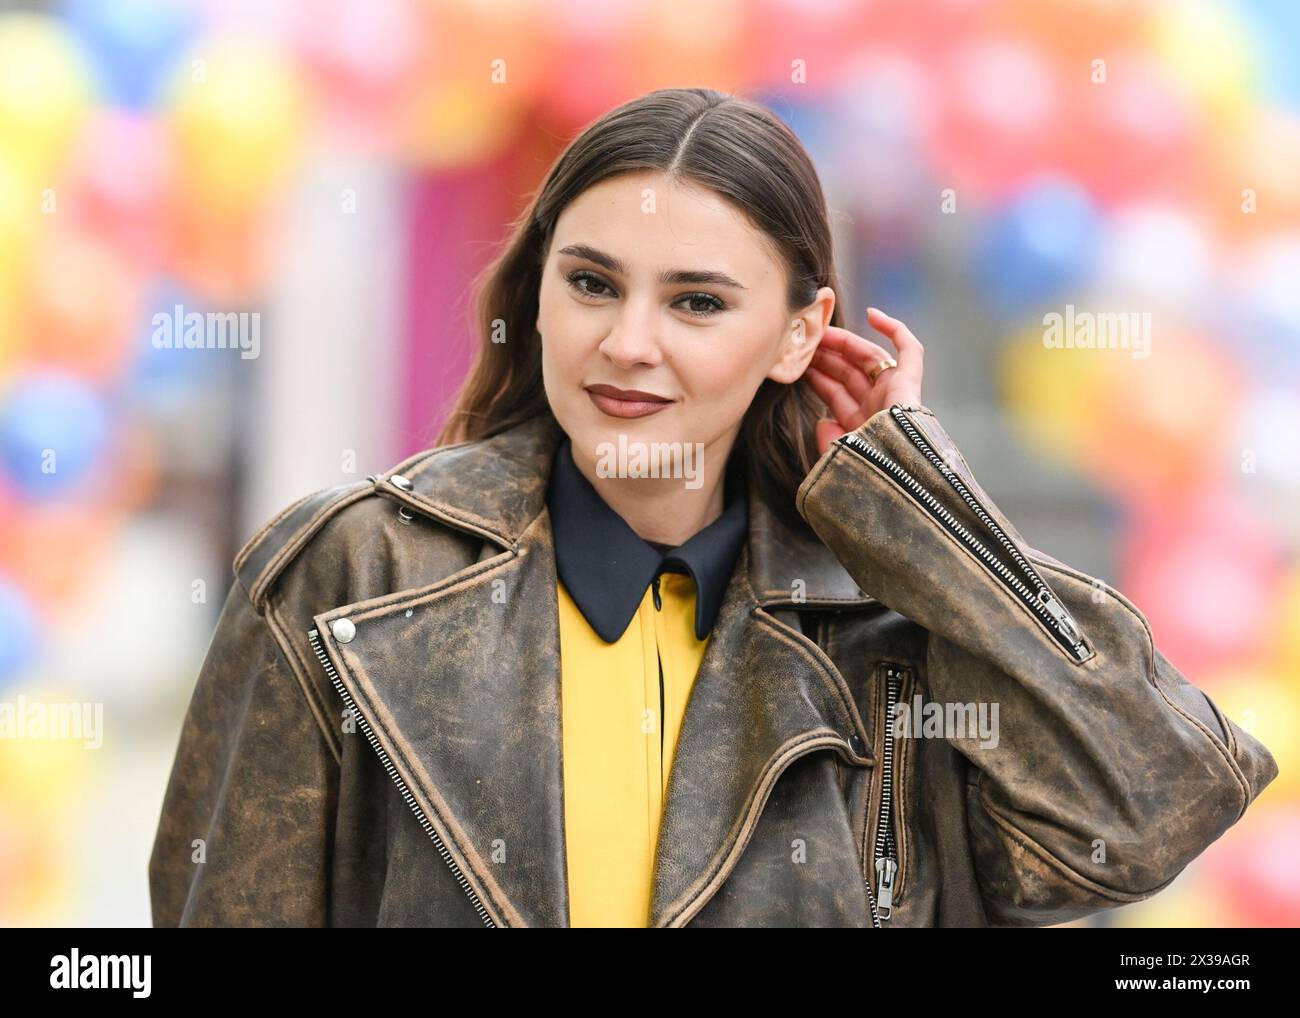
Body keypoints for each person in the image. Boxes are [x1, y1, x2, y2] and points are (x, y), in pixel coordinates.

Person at [149, 87, 1278, 928]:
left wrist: (924, 515)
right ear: (537, 292)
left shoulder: (894, 629)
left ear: (800, 331)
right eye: (591, 282)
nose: (626, 344)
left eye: (696, 301)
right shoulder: (353, 575)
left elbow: (1148, 810)